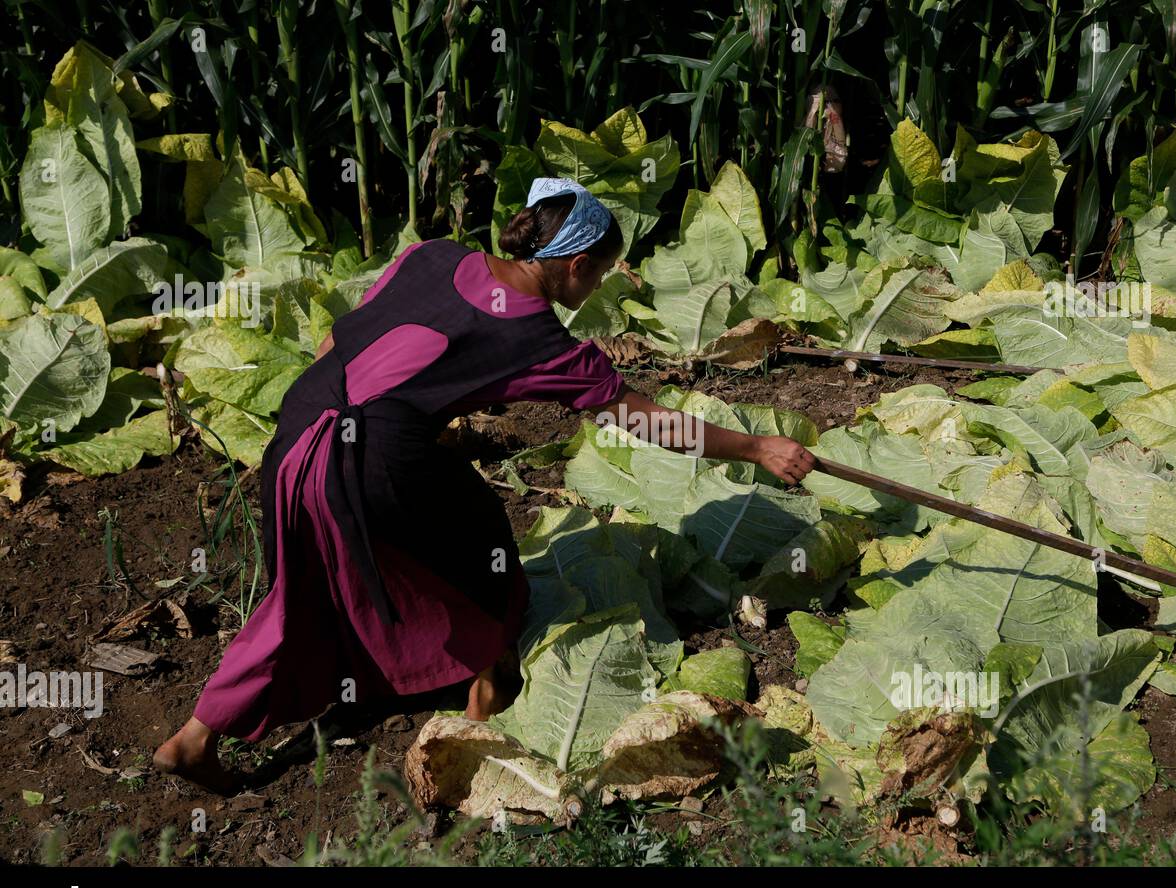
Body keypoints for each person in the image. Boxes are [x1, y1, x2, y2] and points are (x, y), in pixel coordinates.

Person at [153, 177, 815, 793]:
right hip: (370, 457)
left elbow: (339, 339)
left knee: (297, 592)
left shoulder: (434, 257)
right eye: (605, 271)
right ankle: (484, 695)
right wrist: (758, 446)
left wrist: (388, 423)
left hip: (299, 429)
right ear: (578, 265)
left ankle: (195, 735)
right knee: (485, 553)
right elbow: (648, 422)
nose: (602, 284)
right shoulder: (542, 340)